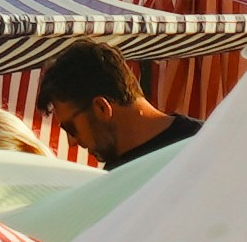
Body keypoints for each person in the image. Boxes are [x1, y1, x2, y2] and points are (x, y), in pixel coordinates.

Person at [34, 41, 201, 167]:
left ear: (101, 107)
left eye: (71, 129)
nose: (72, 142)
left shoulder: (206, 144)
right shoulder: (111, 180)